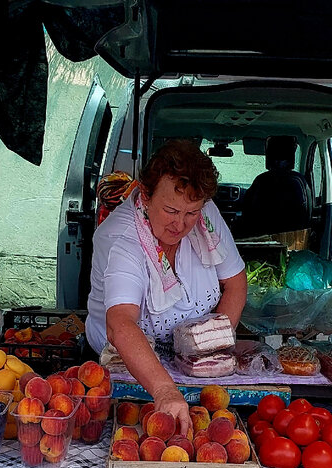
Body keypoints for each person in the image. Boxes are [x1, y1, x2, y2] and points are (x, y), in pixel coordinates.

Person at [86, 140, 248, 437]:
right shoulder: (121, 239)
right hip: (128, 366)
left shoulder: (205, 217)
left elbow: (235, 283)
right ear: (145, 196)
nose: (181, 224)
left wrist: (210, 351)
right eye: (171, 210)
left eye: (191, 213)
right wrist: (164, 390)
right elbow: (120, 325)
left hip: (191, 366)